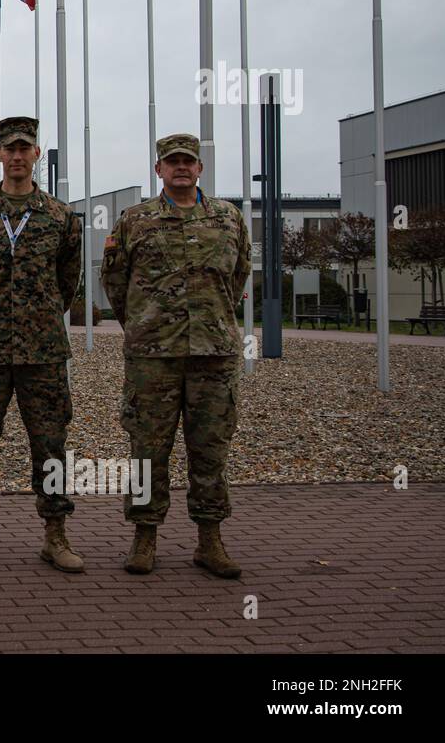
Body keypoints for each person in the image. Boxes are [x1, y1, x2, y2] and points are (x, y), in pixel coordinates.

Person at [100, 133, 252, 578]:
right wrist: (146, 324)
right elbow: (115, 281)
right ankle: (144, 537)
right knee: (148, 450)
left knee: (210, 450)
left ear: (199, 169)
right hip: (153, 356)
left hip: (214, 353)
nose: (181, 168)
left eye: (188, 161)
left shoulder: (229, 219)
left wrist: (213, 317)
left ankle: (210, 541)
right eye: (172, 162)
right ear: (159, 170)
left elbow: (240, 274)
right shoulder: (135, 220)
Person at [0, 116, 84, 573]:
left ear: (36, 154)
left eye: (26, 148)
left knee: (50, 444)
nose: (19, 156)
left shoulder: (61, 218)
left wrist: (39, 315)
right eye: (11, 149)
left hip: (43, 352)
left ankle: (55, 535)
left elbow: (69, 282)